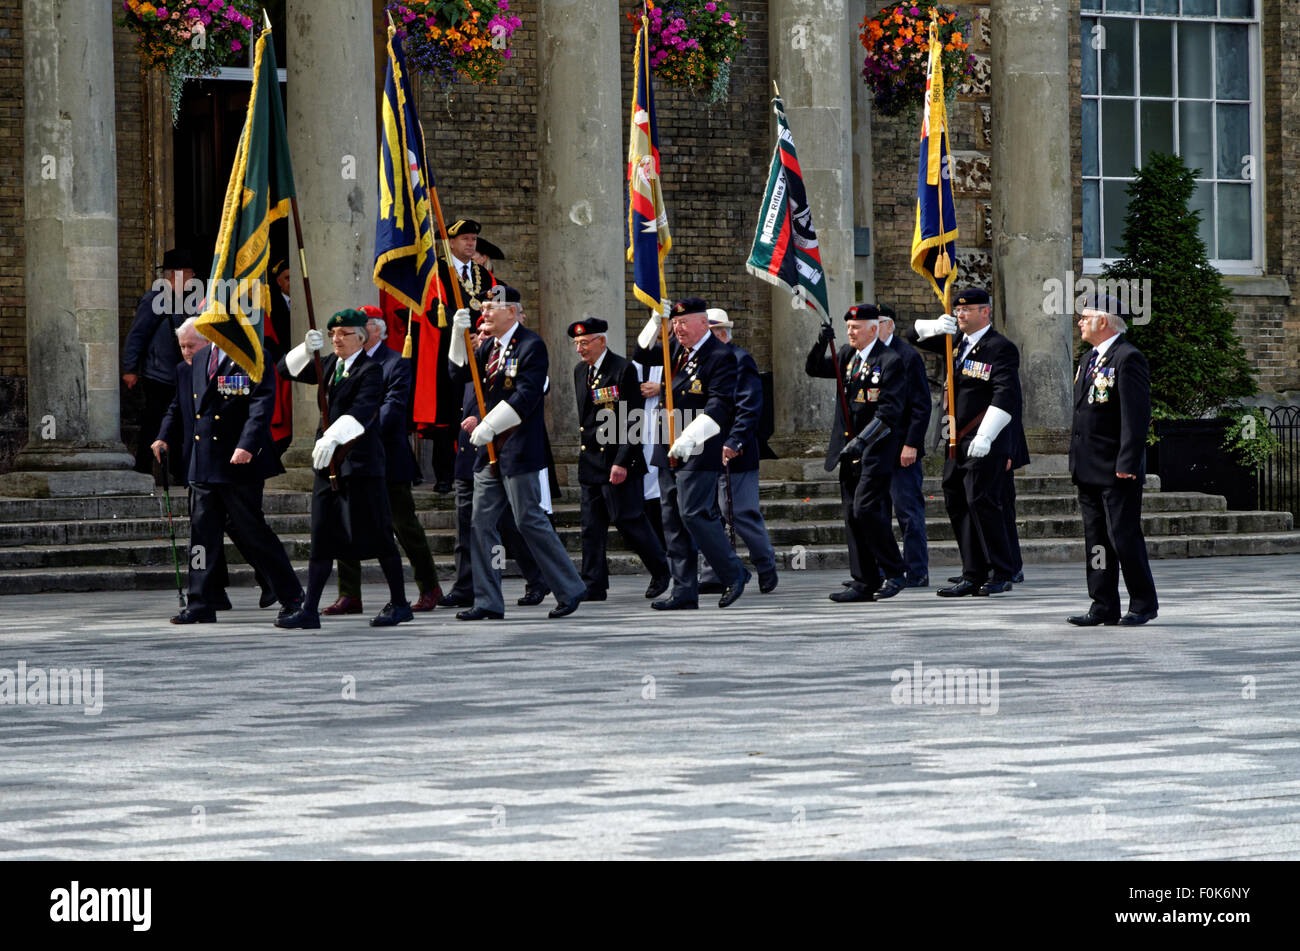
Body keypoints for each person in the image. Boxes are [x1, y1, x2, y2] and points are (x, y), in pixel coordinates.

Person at [448, 297, 586, 621]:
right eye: (481, 309)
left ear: (511, 312)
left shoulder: (531, 345)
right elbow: (460, 373)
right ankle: (488, 599)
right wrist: (457, 335)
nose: (484, 314)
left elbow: (526, 395)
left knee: (528, 520)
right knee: (481, 525)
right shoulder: (490, 348)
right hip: (488, 453)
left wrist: (489, 426)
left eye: (490, 309)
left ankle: (569, 587)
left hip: (518, 447)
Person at [275, 309, 413, 629]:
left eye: (344, 334)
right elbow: (285, 371)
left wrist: (333, 437)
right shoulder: (328, 366)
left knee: (380, 535)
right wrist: (304, 350)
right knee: (321, 536)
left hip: (360, 464)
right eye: (333, 334)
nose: (336, 339)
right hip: (329, 466)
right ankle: (309, 611)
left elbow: (363, 410)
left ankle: (401, 603)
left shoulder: (371, 369)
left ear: (361, 338)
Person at [163, 326, 305, 625]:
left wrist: (247, 444)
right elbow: (194, 408)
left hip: (238, 462)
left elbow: (260, 405)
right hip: (204, 464)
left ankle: (292, 597)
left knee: (253, 533)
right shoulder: (201, 358)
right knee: (201, 538)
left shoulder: (253, 356)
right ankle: (201, 600)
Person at [325, 307, 444, 616]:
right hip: (347, 458)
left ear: (375, 330)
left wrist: (357, 431)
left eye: (358, 327)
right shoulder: (342, 364)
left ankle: (429, 585)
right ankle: (349, 593)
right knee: (344, 523)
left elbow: (394, 408)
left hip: (384, 457)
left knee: (403, 525)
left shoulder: (395, 363)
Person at [632, 298, 747, 610]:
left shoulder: (720, 355)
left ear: (702, 323)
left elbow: (720, 405)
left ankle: (734, 572)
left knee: (693, 514)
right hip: (667, 443)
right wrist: (655, 321)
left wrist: (689, 438)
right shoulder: (675, 351)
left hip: (697, 444)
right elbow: (641, 353)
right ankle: (684, 591)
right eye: (675, 323)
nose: (678, 328)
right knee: (672, 520)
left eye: (684, 323)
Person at [909, 287, 1023, 597]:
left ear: (985, 312)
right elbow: (910, 335)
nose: (960, 314)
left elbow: (1005, 394)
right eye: (958, 310)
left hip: (985, 436)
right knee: (956, 501)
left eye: (967, 310)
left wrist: (986, 435)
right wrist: (935, 326)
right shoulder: (954, 341)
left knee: (982, 502)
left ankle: (1001, 570)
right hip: (953, 437)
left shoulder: (999, 347)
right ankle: (972, 572)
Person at [805, 304, 909, 602]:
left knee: (865, 508)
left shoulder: (890, 360)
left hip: (875, 449)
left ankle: (894, 571)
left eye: (856, 327)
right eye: (848, 327)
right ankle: (864, 580)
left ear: (873, 329)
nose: (850, 332)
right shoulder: (848, 356)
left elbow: (889, 412)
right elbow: (814, 368)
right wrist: (821, 342)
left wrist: (863, 441)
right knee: (852, 514)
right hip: (847, 449)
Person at [1067, 294, 1159, 626]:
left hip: (1115, 468)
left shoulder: (1127, 358)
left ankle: (1143, 602)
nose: (1080, 322)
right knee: (1097, 541)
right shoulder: (1088, 359)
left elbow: (1135, 417)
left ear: (1102, 321)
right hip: (1088, 466)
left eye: (1085, 317)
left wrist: (1128, 462)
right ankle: (1103, 603)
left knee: (1123, 537)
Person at [569, 318, 670, 602]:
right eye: (577, 344)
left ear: (601, 341)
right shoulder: (581, 372)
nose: (580, 349)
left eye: (585, 342)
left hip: (618, 461)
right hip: (591, 462)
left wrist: (623, 461)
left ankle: (662, 569)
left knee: (629, 521)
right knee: (591, 526)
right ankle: (593, 583)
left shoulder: (622, 369)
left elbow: (634, 419)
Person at [414, 217, 499, 493]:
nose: (470, 243)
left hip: (480, 349)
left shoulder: (483, 274)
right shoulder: (435, 271)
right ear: (450, 242)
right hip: (446, 351)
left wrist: (482, 334)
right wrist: (462, 335)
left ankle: (476, 468)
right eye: (465, 239)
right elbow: (432, 308)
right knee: (447, 414)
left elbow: (494, 305)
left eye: (473, 239)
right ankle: (444, 476)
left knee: (478, 408)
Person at [698, 308, 778, 595]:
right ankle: (714, 572)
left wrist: (735, 441)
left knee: (740, 513)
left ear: (721, 333)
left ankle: (765, 565)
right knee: (708, 514)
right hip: (704, 451)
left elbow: (749, 406)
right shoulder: (700, 362)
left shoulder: (739, 360)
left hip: (735, 451)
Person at [123, 247, 196, 481]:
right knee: (153, 425)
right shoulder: (154, 298)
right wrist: (130, 369)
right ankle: (143, 470)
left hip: (181, 376)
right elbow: (137, 335)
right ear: (176, 274)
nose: (193, 278)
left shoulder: (188, 300)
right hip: (158, 375)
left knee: (182, 425)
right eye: (189, 273)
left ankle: (180, 472)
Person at [878, 305, 931, 588]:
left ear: (889, 325)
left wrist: (912, 443)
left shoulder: (907, 355)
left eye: (877, 323)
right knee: (875, 511)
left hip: (901, 449)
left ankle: (916, 570)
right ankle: (885, 569)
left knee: (908, 512)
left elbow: (920, 406)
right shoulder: (868, 356)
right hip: (875, 449)